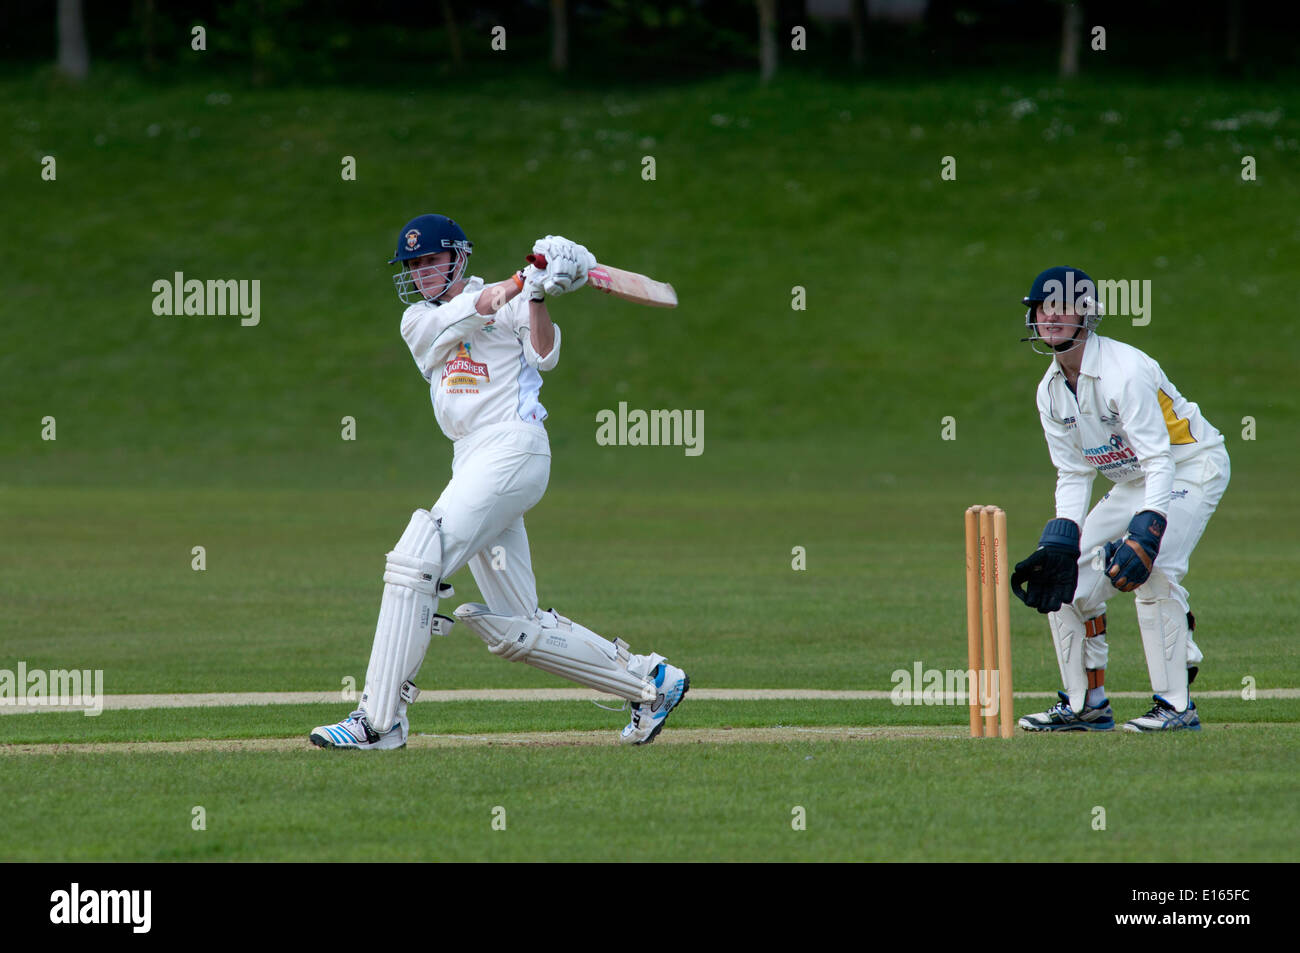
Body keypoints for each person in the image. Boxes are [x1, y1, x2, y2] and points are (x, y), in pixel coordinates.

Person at [311, 214, 688, 750]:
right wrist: (521, 278)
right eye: (413, 265)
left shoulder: (509, 298)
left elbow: (543, 355)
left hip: (513, 446)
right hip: (471, 460)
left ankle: (377, 720)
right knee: (519, 627)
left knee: (418, 558)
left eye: (430, 260)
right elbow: (476, 308)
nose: (420, 273)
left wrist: (539, 293)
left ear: (458, 258)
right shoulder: (419, 322)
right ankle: (650, 681)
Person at [1009, 266, 1229, 732]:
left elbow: (1158, 459)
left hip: (1190, 465)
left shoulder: (1124, 371)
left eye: (1062, 307)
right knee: (1065, 580)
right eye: (1043, 307)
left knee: (1150, 568)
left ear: (1086, 315)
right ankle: (1085, 703)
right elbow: (1071, 470)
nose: (1050, 317)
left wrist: (1147, 530)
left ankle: (1175, 705)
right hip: (1134, 479)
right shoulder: (1049, 390)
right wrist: (1063, 539)